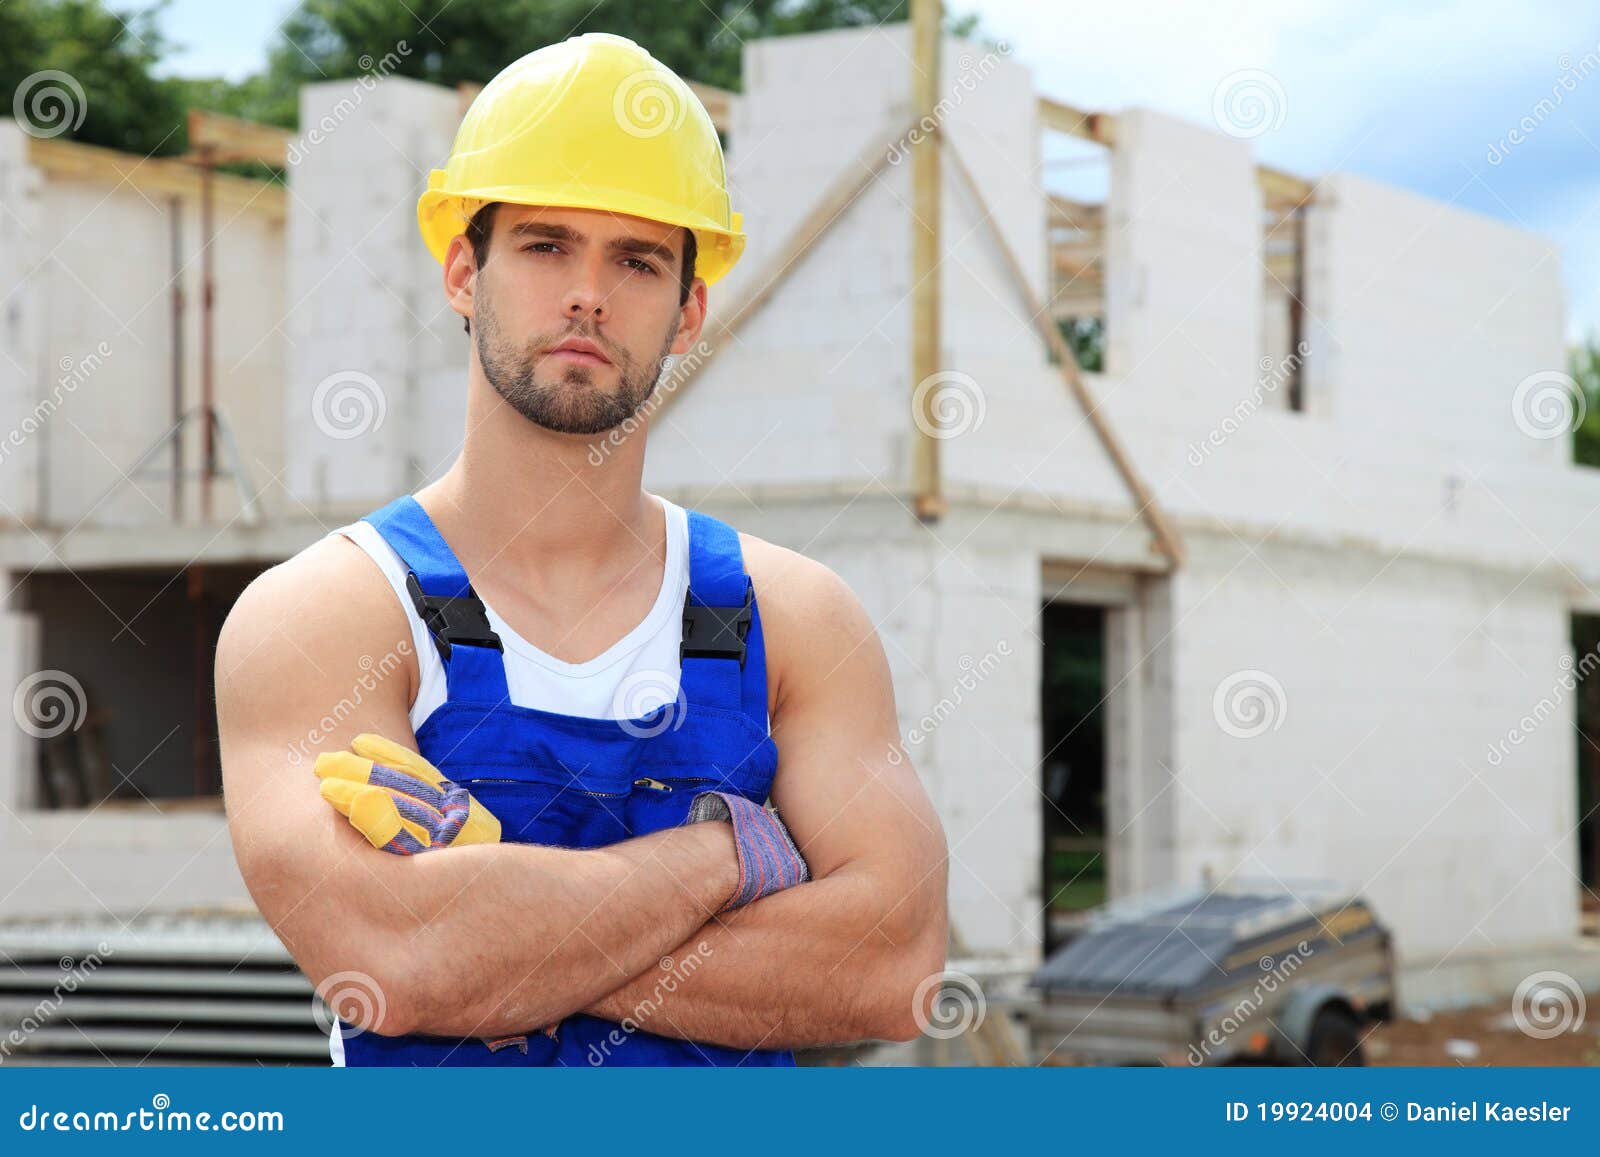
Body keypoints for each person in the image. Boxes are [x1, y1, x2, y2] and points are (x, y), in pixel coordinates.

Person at [216, 32, 948, 1067]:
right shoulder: (327, 613)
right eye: (547, 244)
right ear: (465, 271)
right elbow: (395, 959)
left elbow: (892, 968)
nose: (587, 295)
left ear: (688, 309)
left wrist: (503, 932)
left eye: (637, 259)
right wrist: (721, 856)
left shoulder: (792, 620)